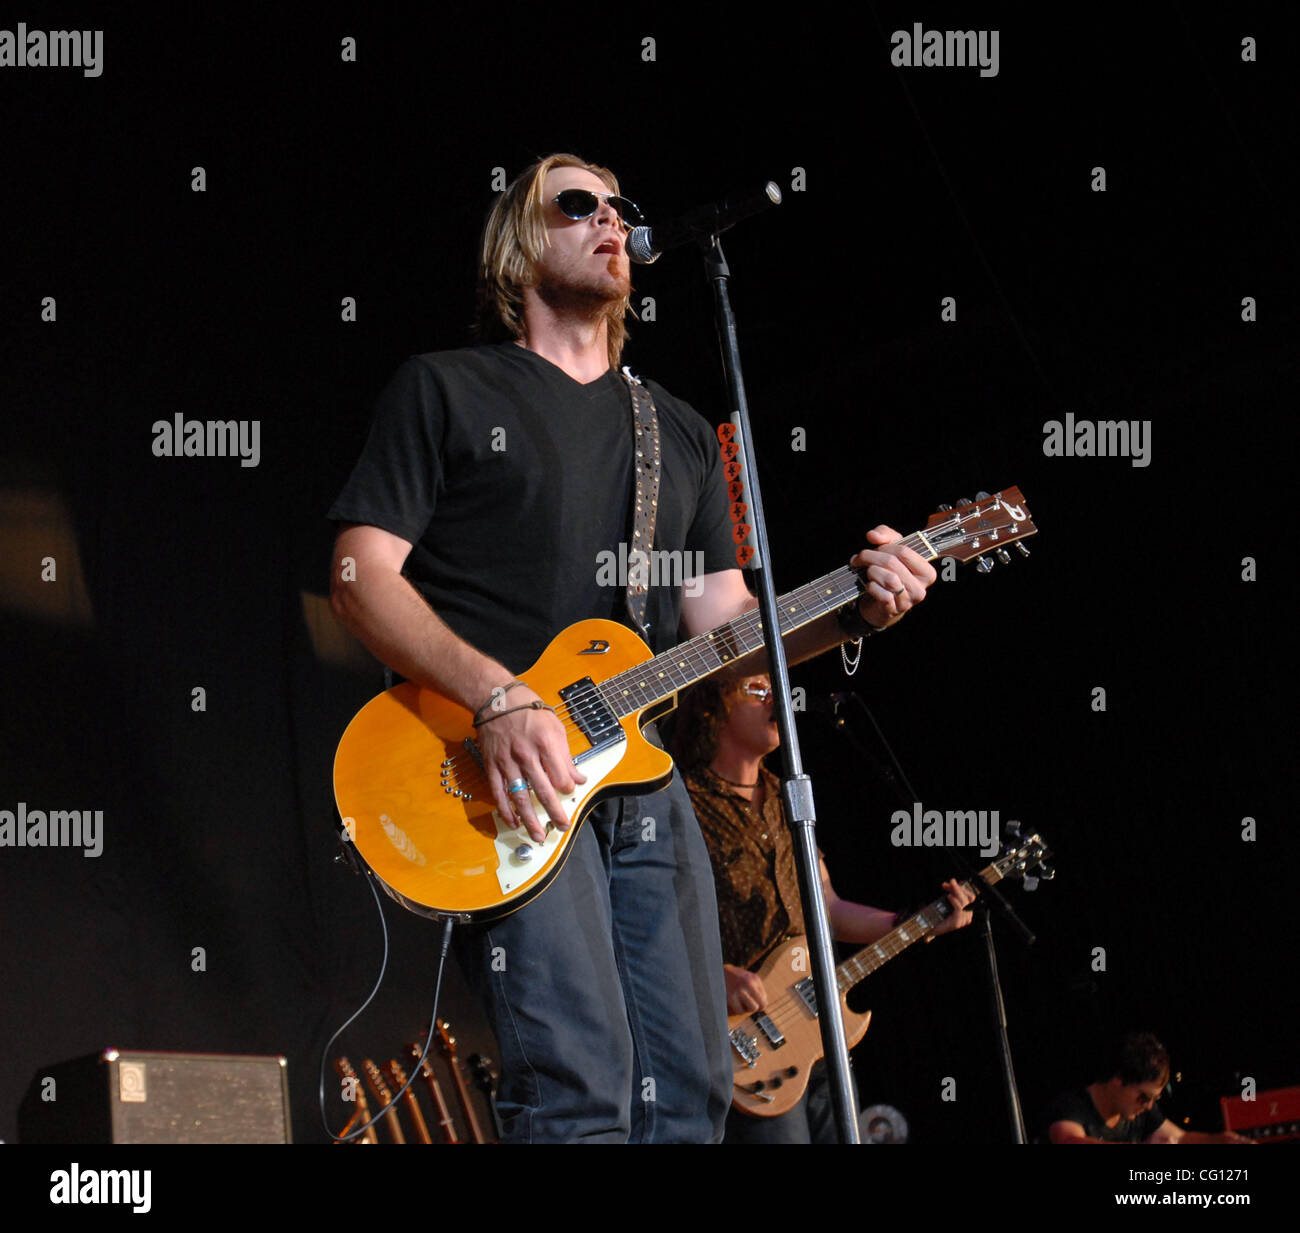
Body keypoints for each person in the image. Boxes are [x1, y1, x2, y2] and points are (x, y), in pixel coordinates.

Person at [327, 152, 937, 1142]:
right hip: (508, 778)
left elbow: (729, 636)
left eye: (623, 205)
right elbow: (359, 576)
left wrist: (859, 612)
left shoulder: (679, 433)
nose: (611, 218)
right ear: (520, 246)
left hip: (645, 789)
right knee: (577, 1088)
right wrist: (497, 695)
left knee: (691, 1091)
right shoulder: (444, 389)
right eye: (578, 203)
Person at [670, 672, 975, 1143]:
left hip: (816, 1028)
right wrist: (715, 974)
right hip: (742, 1035)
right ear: (713, 708)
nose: (777, 698)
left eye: (778, 687)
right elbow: (658, 919)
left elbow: (828, 908)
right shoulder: (681, 801)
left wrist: (918, 925)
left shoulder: (790, 797)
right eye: (757, 689)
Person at [1046, 1032, 1254, 1144]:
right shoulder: (1071, 1106)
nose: (1148, 1106)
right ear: (1118, 1080)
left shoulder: (1139, 1111)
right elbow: (1068, 1141)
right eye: (1144, 1097)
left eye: (1154, 1099)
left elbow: (1179, 1138)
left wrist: (1220, 1141)